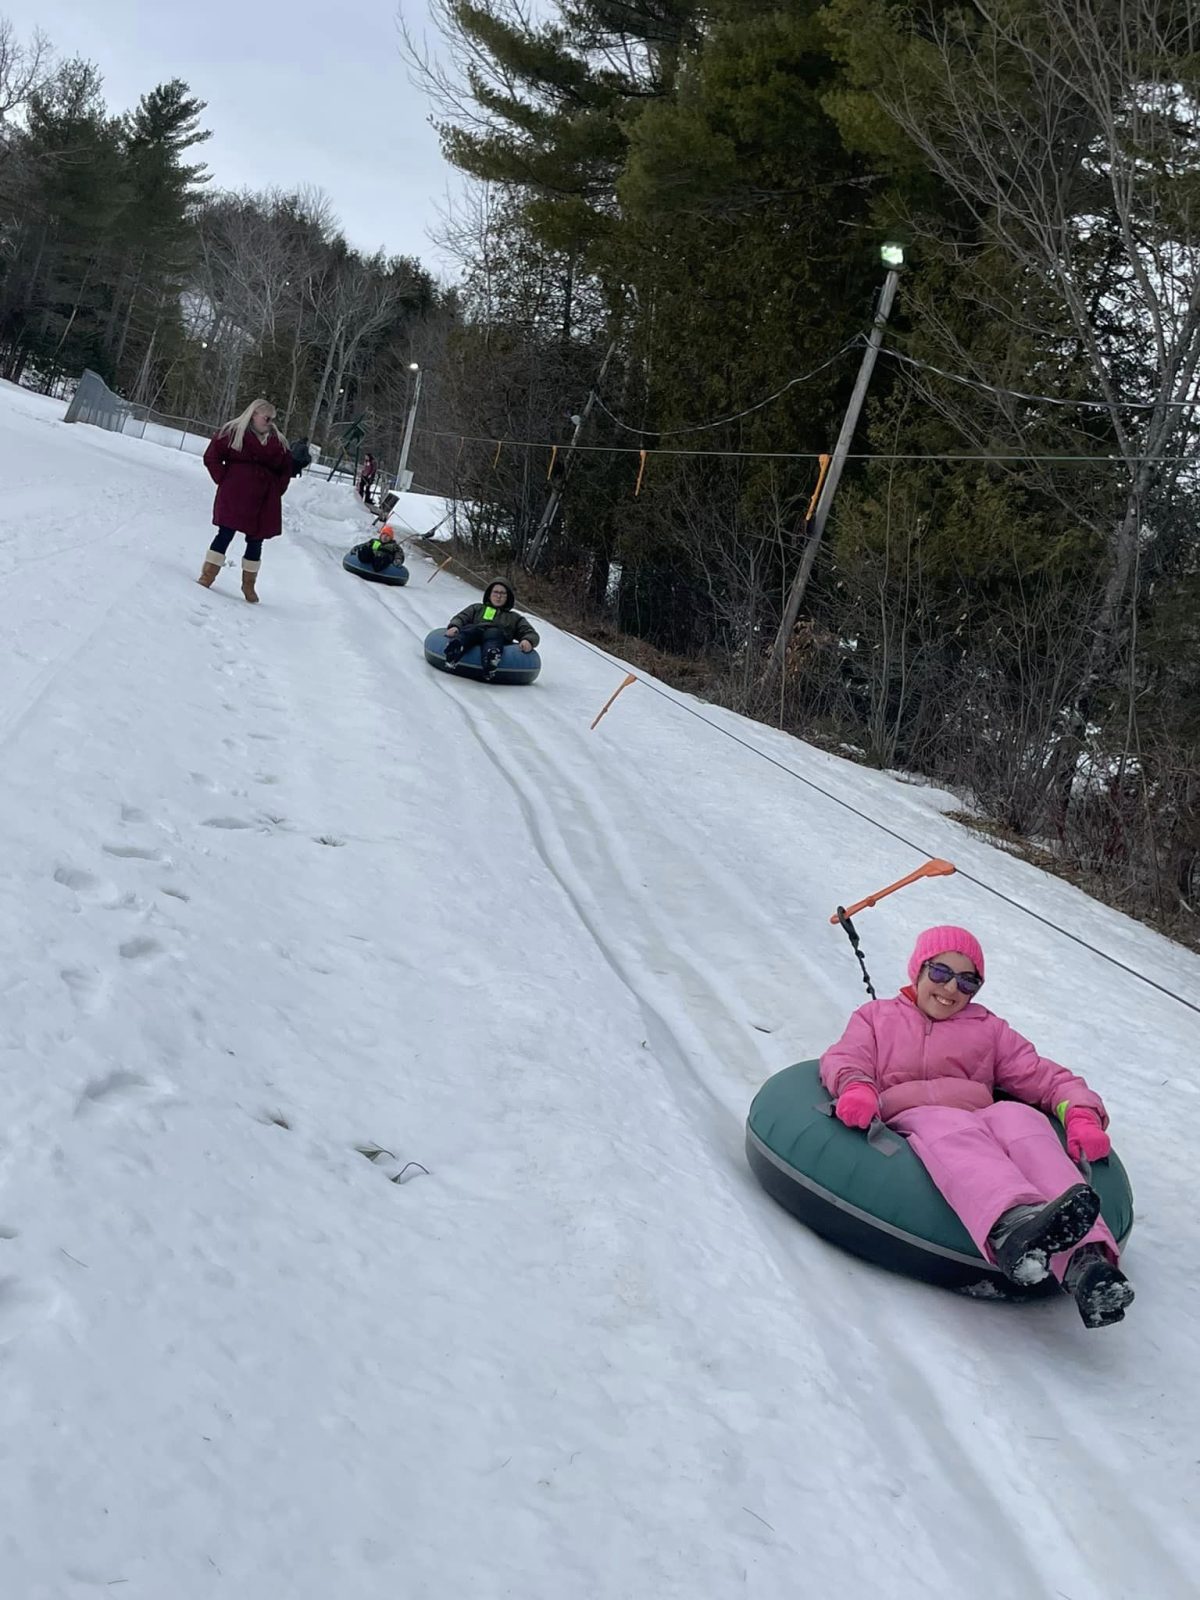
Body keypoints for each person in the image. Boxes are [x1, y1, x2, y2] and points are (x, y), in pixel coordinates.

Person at [820, 925, 1134, 1328]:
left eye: (968, 981)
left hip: (980, 1111)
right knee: (954, 1132)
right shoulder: (877, 1017)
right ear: (918, 968)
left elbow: (1042, 1075)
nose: (951, 988)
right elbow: (846, 1057)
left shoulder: (988, 1029)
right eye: (940, 973)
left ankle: (1089, 1267)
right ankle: (1012, 1230)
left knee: (1020, 1119)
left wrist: (1081, 1113)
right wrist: (858, 1088)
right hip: (917, 1112)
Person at [199, 399, 300, 603]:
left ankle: (249, 585)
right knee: (225, 532)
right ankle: (208, 575)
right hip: (235, 493)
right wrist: (225, 479)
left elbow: (285, 471)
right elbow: (212, 457)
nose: (270, 422)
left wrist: (276, 490)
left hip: (264, 499)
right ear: (253, 414)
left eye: (272, 419)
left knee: (256, 540)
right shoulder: (233, 433)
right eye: (266, 418)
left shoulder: (278, 442)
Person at [443, 580, 539, 678]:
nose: (498, 596)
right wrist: (455, 626)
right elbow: (461, 617)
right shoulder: (477, 608)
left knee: (493, 633)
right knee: (471, 630)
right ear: (489, 594)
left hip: (497, 637)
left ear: (508, 597)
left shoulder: (514, 618)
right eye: (496, 592)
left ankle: (491, 658)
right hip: (475, 632)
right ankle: (456, 648)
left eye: (502, 593)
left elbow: (530, 632)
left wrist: (528, 640)